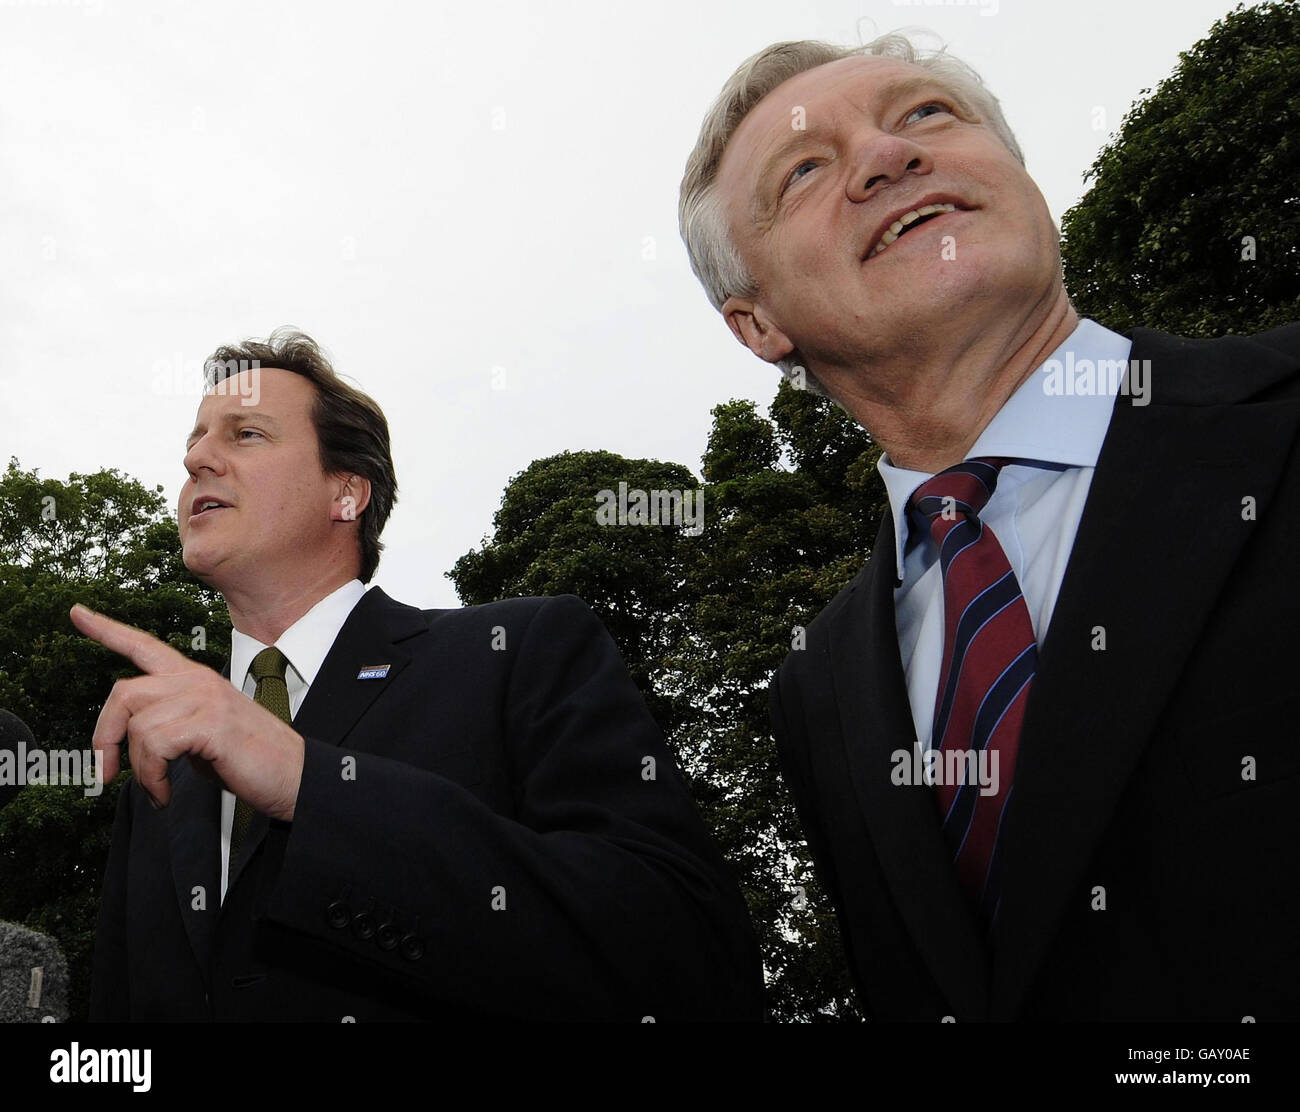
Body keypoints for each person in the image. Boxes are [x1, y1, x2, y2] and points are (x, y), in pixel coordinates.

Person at [679, 33, 1300, 1021]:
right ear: (757, 324)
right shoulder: (820, 688)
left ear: (1014, 173)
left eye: (925, 113)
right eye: (804, 169)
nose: (887, 156)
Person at [78, 328, 763, 1021]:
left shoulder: (517, 652)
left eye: (246, 434)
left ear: (347, 493)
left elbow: (685, 950)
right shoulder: (163, 768)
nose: (196, 458)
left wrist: (306, 782)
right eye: (195, 441)